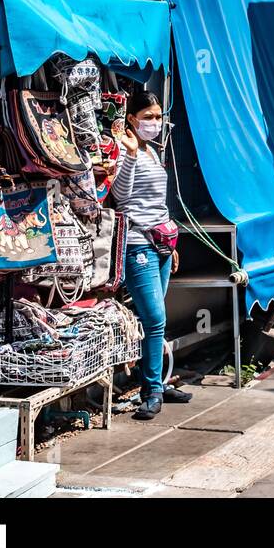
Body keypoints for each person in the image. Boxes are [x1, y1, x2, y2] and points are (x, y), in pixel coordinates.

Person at [110, 89, 190, 419]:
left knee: (156, 320)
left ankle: (154, 384)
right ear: (132, 119)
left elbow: (160, 204)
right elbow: (121, 196)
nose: (155, 123)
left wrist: (173, 247)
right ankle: (153, 388)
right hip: (136, 243)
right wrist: (128, 156)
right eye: (148, 118)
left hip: (161, 242)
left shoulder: (154, 154)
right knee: (155, 318)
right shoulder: (124, 151)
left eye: (158, 117)